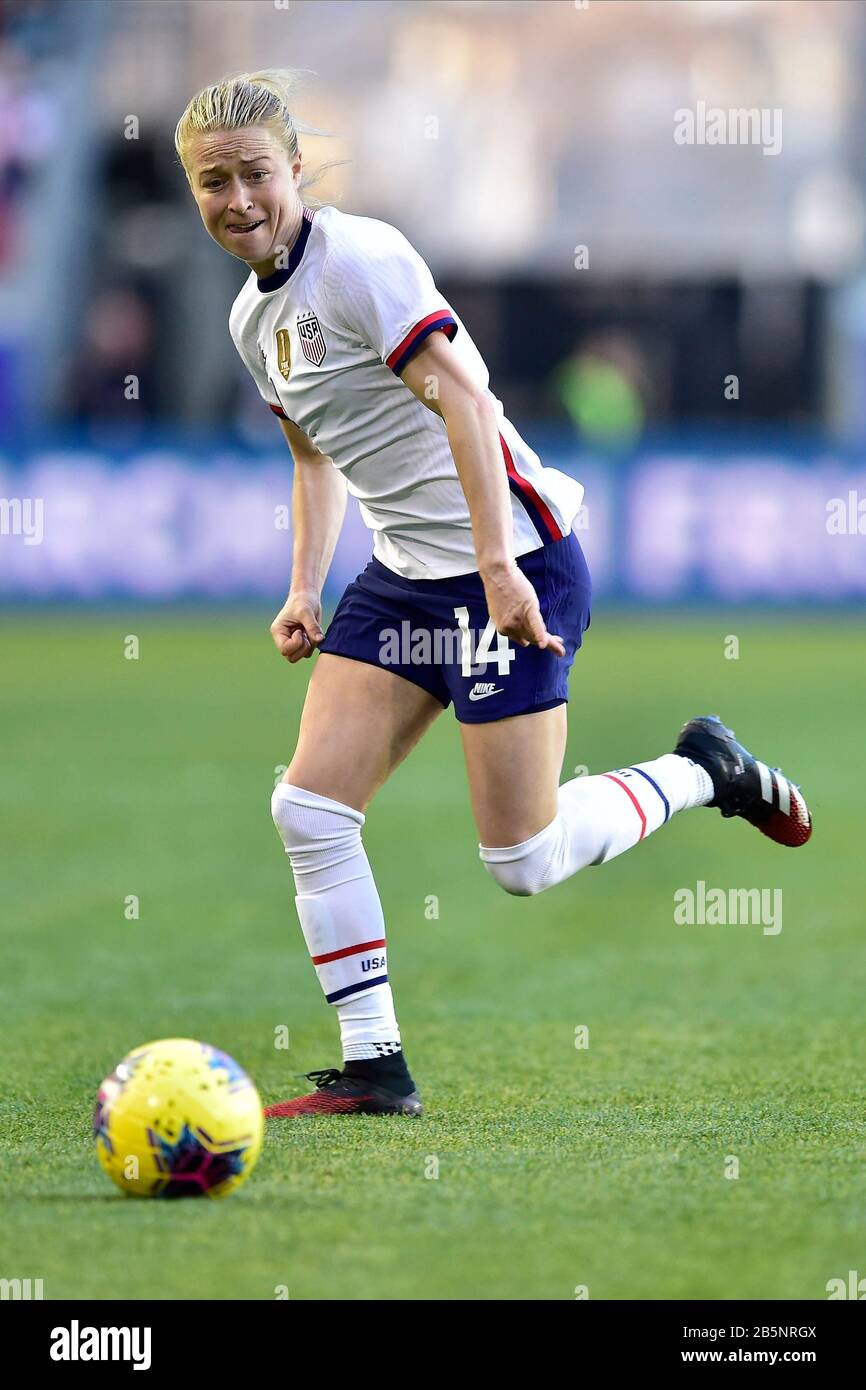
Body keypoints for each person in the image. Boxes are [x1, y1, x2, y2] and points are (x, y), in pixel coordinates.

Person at [174, 70, 811, 1118]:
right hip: (405, 579)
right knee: (307, 808)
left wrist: (499, 566)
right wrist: (303, 585)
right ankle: (375, 1067)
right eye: (211, 183)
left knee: (520, 860)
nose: (236, 200)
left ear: (296, 168)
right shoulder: (254, 320)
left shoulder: (361, 261)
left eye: (253, 174)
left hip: (510, 560)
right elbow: (315, 459)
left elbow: (465, 405)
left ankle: (703, 770)